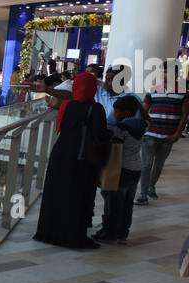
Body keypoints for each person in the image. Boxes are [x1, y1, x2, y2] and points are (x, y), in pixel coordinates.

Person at [34, 70, 110, 249]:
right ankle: (72, 236)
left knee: (56, 194)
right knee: (77, 197)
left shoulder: (67, 106)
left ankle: (49, 233)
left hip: (60, 154)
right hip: (81, 158)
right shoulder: (96, 109)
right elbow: (100, 135)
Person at [92, 95, 146, 245]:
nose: (115, 114)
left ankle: (109, 233)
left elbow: (111, 141)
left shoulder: (122, 127)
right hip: (136, 168)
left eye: (117, 111)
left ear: (127, 112)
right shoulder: (143, 124)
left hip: (121, 168)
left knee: (113, 202)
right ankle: (123, 233)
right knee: (127, 203)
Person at [136, 67, 189, 204]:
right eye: (162, 71)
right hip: (150, 134)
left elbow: (184, 116)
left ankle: (151, 186)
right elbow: (144, 110)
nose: (164, 74)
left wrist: (177, 134)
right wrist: (143, 127)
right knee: (146, 165)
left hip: (168, 136)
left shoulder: (184, 93)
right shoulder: (153, 90)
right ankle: (143, 194)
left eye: (167, 71)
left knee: (159, 164)